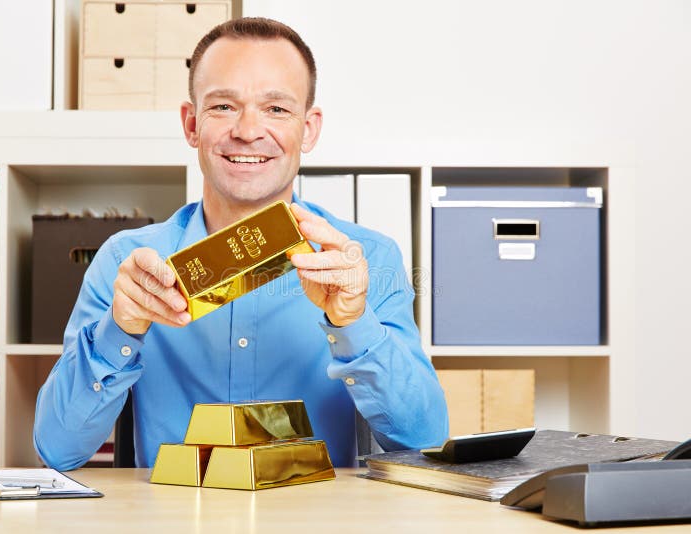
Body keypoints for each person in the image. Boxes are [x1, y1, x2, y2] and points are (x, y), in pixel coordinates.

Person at [33, 17, 448, 470]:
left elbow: (426, 441)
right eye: (224, 107)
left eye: (276, 109)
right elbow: (57, 450)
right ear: (192, 124)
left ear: (308, 129)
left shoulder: (366, 259)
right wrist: (120, 329)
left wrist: (354, 323)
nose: (248, 131)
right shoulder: (126, 263)